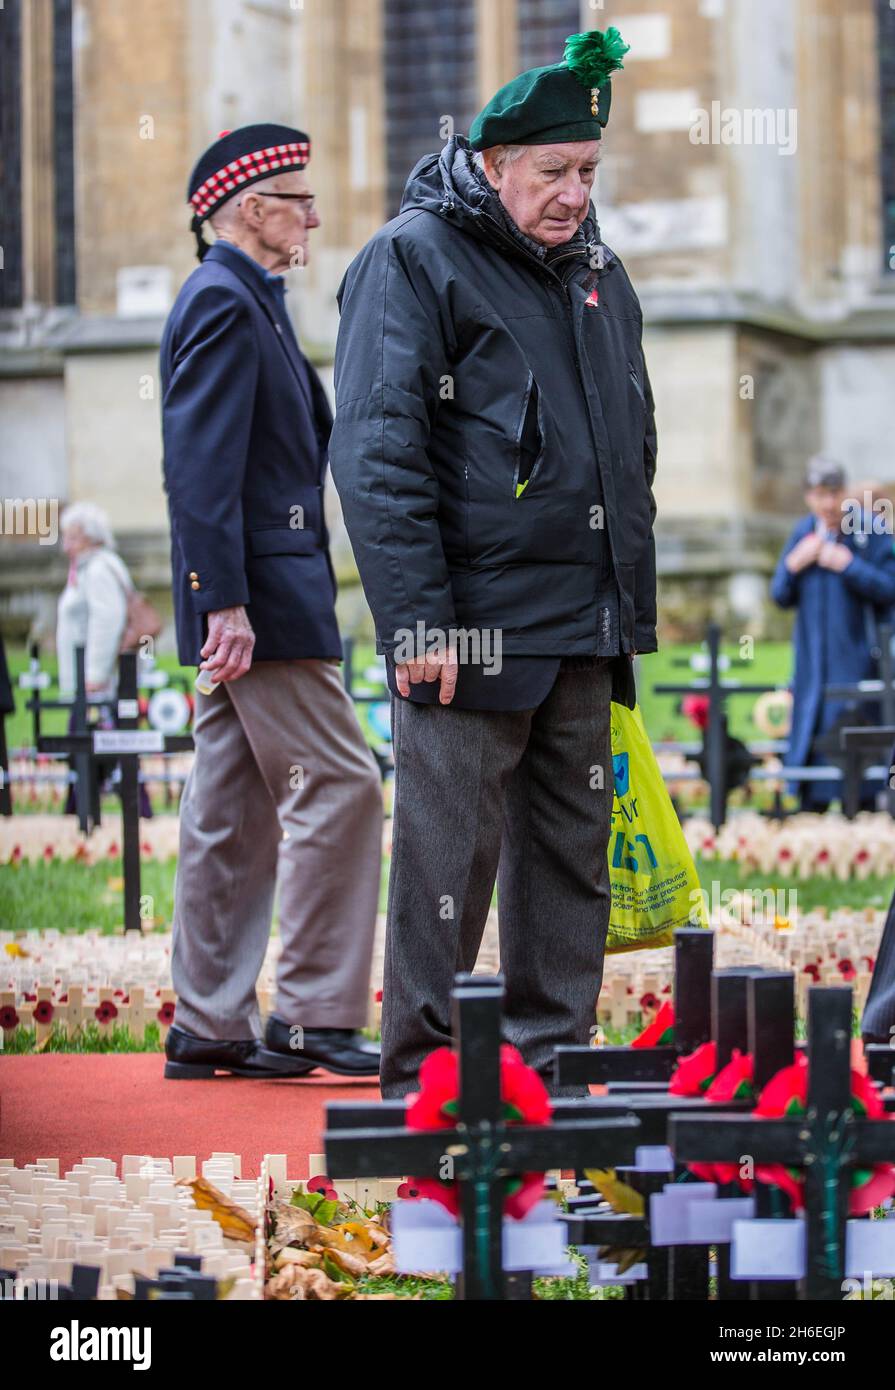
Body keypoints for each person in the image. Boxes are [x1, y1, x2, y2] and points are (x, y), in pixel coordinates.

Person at [329, 29, 658, 1097]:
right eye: (553, 172)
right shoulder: (412, 256)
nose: (574, 194)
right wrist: (416, 618)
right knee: (444, 867)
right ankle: (421, 1096)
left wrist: (624, 607)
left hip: (580, 620)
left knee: (569, 861)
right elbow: (379, 450)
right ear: (491, 165)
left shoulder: (598, 272)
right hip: (466, 623)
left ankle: (548, 1077)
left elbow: (627, 440)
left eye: (588, 172)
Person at [160, 124, 382, 1081]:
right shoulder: (223, 299)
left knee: (234, 804)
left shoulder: (248, 296)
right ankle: (312, 1015)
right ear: (253, 209)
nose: (315, 215)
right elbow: (198, 470)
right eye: (300, 198)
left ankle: (209, 1020)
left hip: (254, 594)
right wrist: (225, 605)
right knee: (344, 785)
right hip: (261, 601)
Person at [771, 456, 895, 811]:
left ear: (846, 493)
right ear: (809, 496)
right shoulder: (802, 533)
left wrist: (849, 565)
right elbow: (780, 595)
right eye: (819, 494)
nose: (828, 504)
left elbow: (890, 588)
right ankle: (812, 808)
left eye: (835, 493)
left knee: (856, 734)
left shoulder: (869, 531)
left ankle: (864, 808)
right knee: (814, 731)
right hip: (813, 663)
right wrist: (796, 563)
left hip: (858, 661)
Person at [56, 503, 131, 698]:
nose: (65, 546)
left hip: (96, 685)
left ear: (92, 538)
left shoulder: (98, 570)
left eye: (72, 538)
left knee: (91, 727)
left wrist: (95, 675)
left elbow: (107, 620)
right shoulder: (87, 568)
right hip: (88, 678)